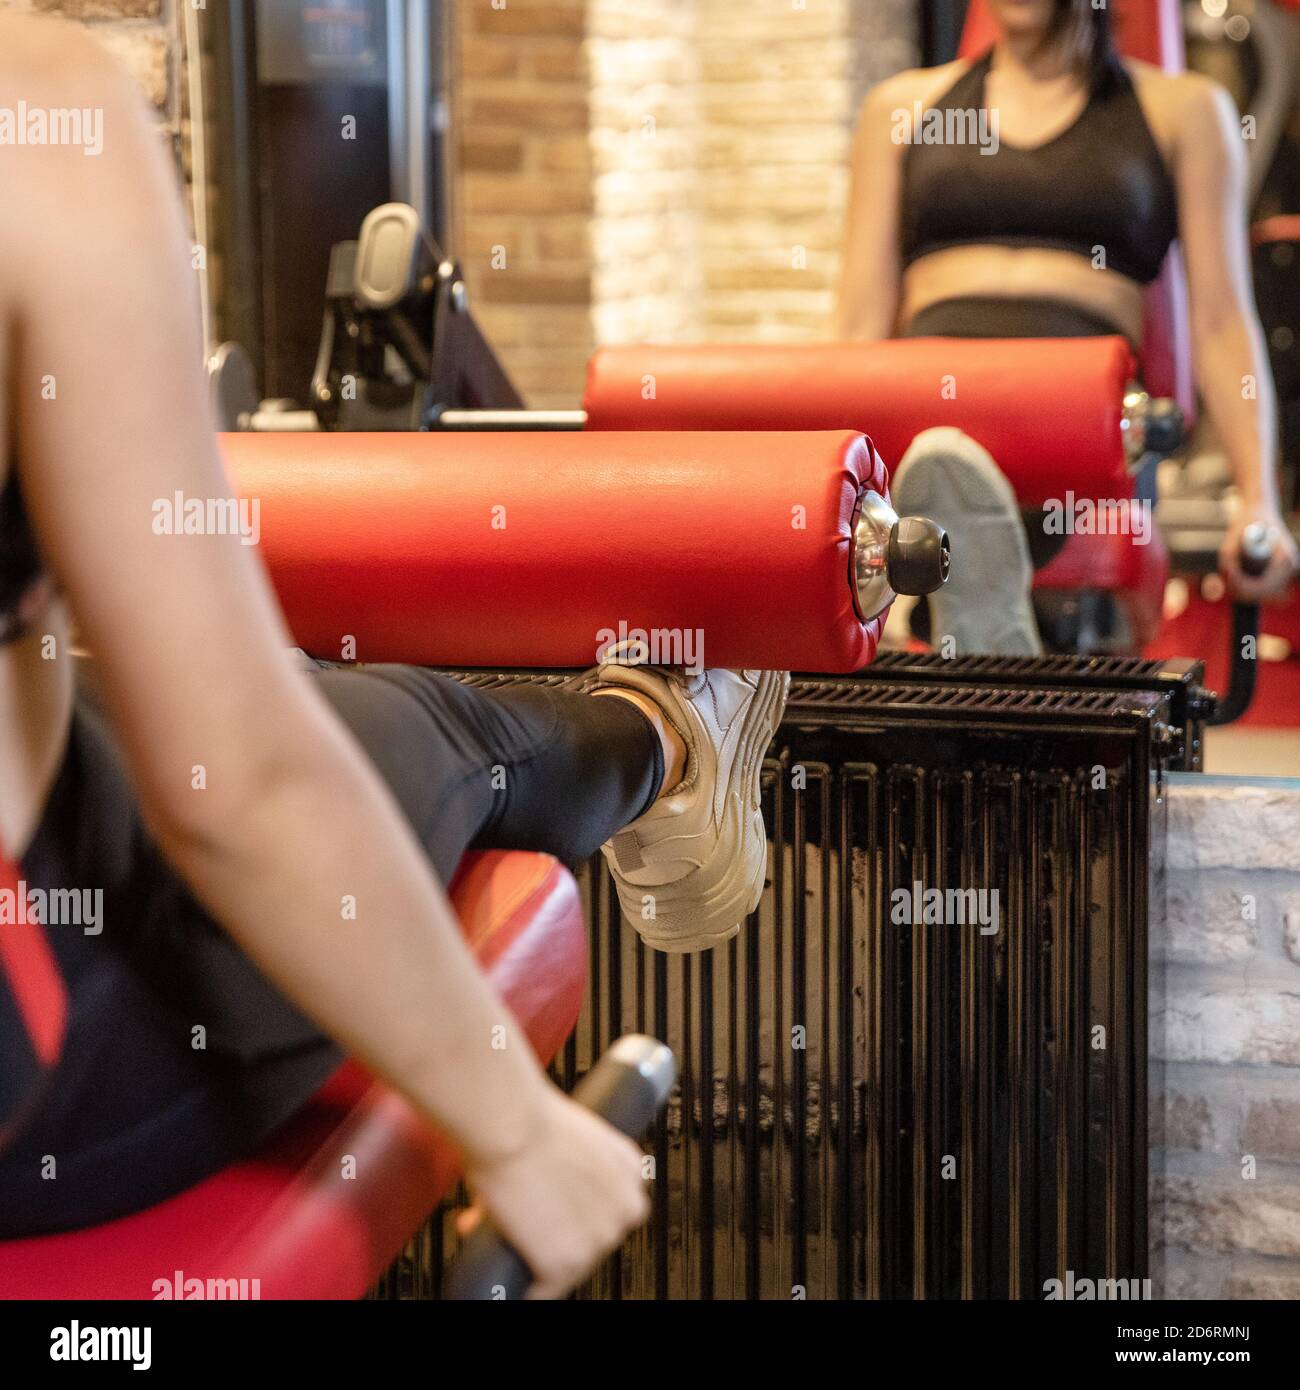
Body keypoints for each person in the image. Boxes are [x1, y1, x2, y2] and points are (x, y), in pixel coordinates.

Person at [0, 14, 786, 1296]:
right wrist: (517, 1128)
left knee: (290, 693)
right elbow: (237, 788)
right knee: (423, 731)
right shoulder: (40, 118)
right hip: (46, 1065)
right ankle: (668, 727)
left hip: (78, 780)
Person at [838, 0, 1299, 654]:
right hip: (932, 402)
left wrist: (1258, 502)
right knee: (941, 448)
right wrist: (836, 491)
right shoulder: (901, 108)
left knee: (972, 460)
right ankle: (987, 608)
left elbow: (1222, 321)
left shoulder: (1184, 110)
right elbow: (859, 324)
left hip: (1078, 422)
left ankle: (973, 597)